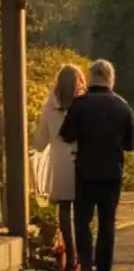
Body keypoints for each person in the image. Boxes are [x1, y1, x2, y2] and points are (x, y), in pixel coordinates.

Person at [59, 59, 134, 271]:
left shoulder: (79, 105)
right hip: (112, 174)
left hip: (85, 173)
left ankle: (85, 263)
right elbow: (130, 144)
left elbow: (66, 134)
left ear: (91, 78)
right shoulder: (123, 106)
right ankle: (103, 267)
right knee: (106, 224)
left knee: (83, 222)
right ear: (111, 79)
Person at [31, 64, 85, 270]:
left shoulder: (50, 107)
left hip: (60, 164)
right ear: (77, 82)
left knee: (64, 211)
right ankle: (81, 254)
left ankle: (70, 256)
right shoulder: (84, 104)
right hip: (82, 161)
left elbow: (40, 140)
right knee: (82, 212)